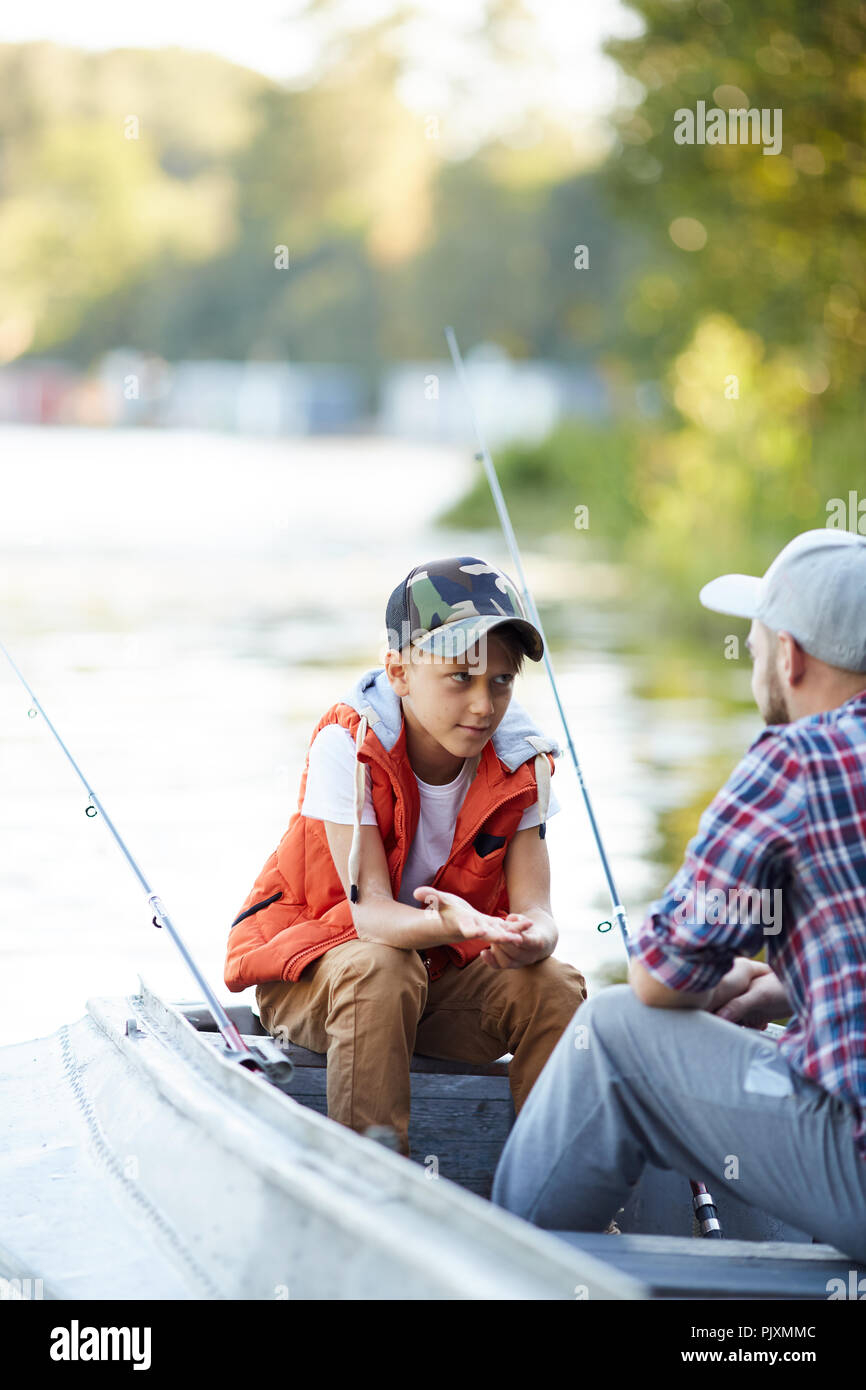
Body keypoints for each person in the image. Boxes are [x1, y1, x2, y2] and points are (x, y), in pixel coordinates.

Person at [492, 529, 866, 1264]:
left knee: (612, 1029)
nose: (755, 659)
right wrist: (780, 987)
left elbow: (660, 979)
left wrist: (718, 979)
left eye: (756, 643)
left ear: (789, 655)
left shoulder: (799, 761)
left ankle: (501, 1272)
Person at [224, 555, 587, 1158]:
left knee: (556, 984)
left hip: (437, 989)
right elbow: (371, 919)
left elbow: (539, 912)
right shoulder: (350, 745)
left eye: (501, 681)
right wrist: (450, 923)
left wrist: (531, 939)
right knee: (384, 967)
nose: (483, 705)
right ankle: (373, 1184)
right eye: (460, 679)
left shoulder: (525, 765)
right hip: (317, 976)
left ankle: (555, 1200)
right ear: (398, 671)